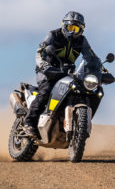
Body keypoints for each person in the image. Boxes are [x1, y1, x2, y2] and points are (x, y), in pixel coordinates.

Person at [24, 11, 100, 140]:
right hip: (47, 71)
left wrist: (101, 70)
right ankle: (29, 123)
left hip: (67, 72)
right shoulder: (54, 35)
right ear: (64, 25)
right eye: (70, 27)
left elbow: (91, 57)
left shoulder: (82, 40)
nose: (73, 32)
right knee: (46, 90)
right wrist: (43, 65)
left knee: (92, 91)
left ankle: (79, 123)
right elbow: (40, 52)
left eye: (76, 29)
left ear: (81, 30)